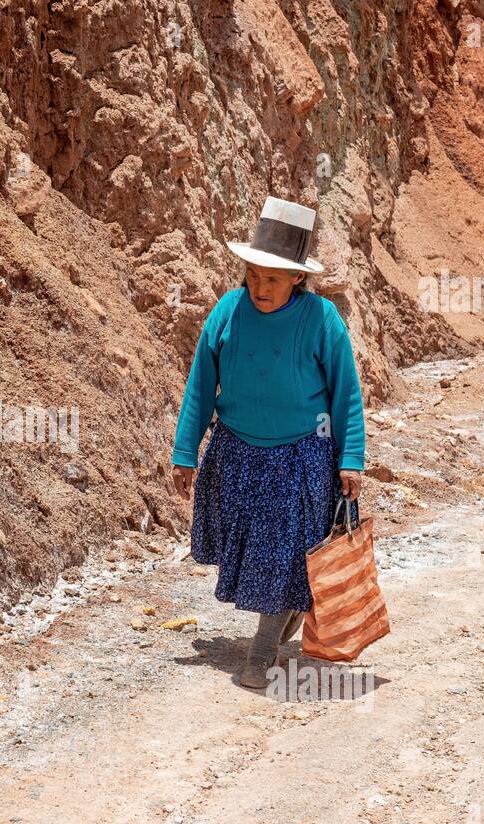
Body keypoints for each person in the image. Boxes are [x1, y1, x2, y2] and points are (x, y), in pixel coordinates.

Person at [171, 196, 366, 689]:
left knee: (277, 550)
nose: (260, 286)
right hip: (236, 453)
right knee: (257, 555)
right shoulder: (227, 311)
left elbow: (346, 394)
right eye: (254, 274)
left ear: (298, 277)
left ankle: (262, 650)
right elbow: (200, 385)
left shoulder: (322, 320)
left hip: (300, 456)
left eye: (273, 278)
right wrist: (184, 452)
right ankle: (287, 610)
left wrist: (351, 459)